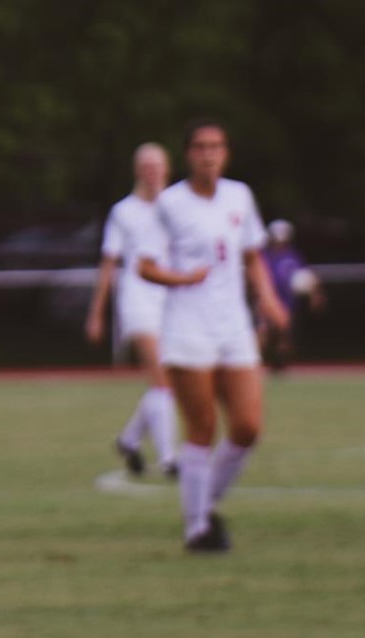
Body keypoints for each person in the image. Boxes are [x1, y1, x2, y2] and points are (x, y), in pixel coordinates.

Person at [137, 121, 289, 553]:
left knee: (247, 428)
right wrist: (180, 278)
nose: (209, 154)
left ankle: (203, 503)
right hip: (187, 326)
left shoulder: (239, 196)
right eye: (201, 147)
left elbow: (252, 256)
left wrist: (270, 298)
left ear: (226, 153)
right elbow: (145, 266)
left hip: (233, 326)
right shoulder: (170, 204)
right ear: (188, 154)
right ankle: (197, 529)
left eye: (216, 147)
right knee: (202, 426)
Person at [85, 142, 177, 480]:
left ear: (167, 169)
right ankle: (169, 458)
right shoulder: (123, 211)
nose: (153, 172)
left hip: (172, 303)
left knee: (169, 380)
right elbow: (109, 264)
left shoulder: (178, 206)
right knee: (162, 380)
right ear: (138, 171)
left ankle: (130, 438)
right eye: (147, 166)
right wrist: (96, 313)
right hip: (138, 301)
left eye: (158, 166)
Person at [257, 219, 326, 370]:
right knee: (264, 333)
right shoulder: (264, 256)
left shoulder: (294, 256)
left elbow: (305, 277)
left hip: (288, 302)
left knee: (285, 335)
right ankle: (254, 365)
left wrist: (315, 294)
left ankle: (280, 364)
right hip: (268, 301)